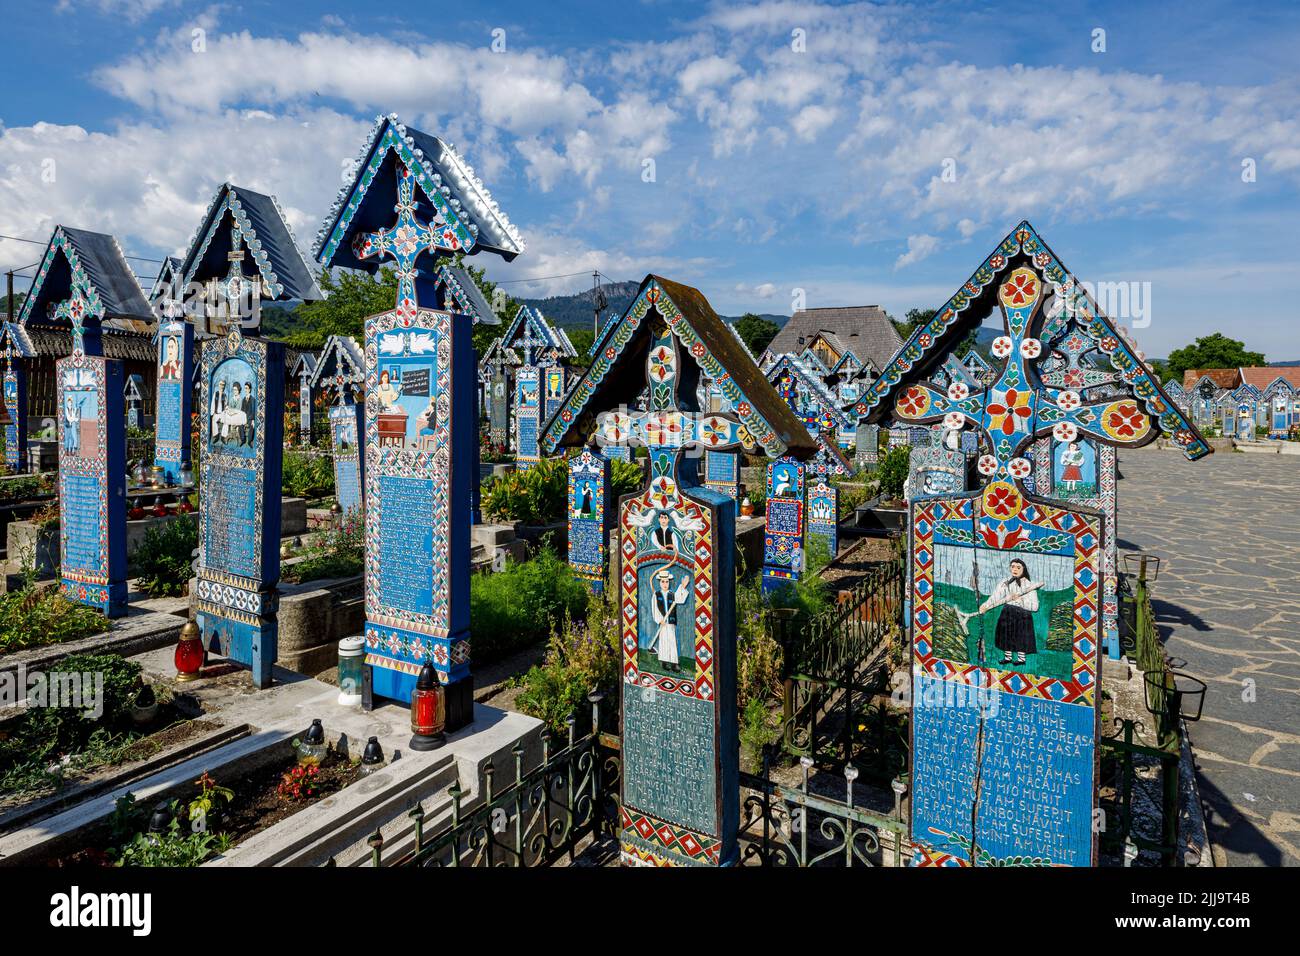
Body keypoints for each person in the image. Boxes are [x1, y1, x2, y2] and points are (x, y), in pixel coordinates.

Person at [978, 558, 1039, 666]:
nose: (1014, 569)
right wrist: (986, 605)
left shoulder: (1029, 585)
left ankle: (1021, 659)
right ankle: (1008, 657)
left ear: (1023, 569)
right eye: (1012, 566)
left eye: (1018, 567)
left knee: (1020, 636)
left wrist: (1020, 601)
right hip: (1008, 612)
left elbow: (1035, 607)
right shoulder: (1005, 583)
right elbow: (996, 596)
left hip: (1023, 614)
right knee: (1006, 635)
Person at [649, 567, 685, 672]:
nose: (665, 584)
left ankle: (674, 664)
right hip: (662, 623)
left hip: (671, 622)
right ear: (660, 582)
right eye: (663, 582)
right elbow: (654, 608)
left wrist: (683, 586)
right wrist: (659, 620)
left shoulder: (673, 595)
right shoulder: (656, 595)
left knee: (672, 641)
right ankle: (664, 662)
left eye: (667, 582)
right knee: (663, 641)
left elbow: (681, 599)